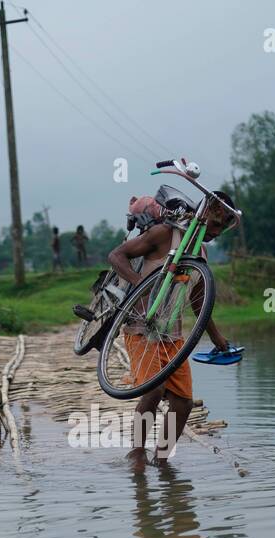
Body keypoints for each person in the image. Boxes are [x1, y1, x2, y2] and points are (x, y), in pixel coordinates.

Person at [98, 191, 235, 468]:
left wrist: (216, 336)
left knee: (183, 403)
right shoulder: (165, 235)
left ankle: (161, 459)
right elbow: (117, 255)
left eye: (223, 228)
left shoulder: (201, 252)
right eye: (217, 224)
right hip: (140, 327)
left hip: (172, 335)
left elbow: (199, 299)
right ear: (205, 215)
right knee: (155, 389)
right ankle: (136, 452)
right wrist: (138, 284)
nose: (218, 232)